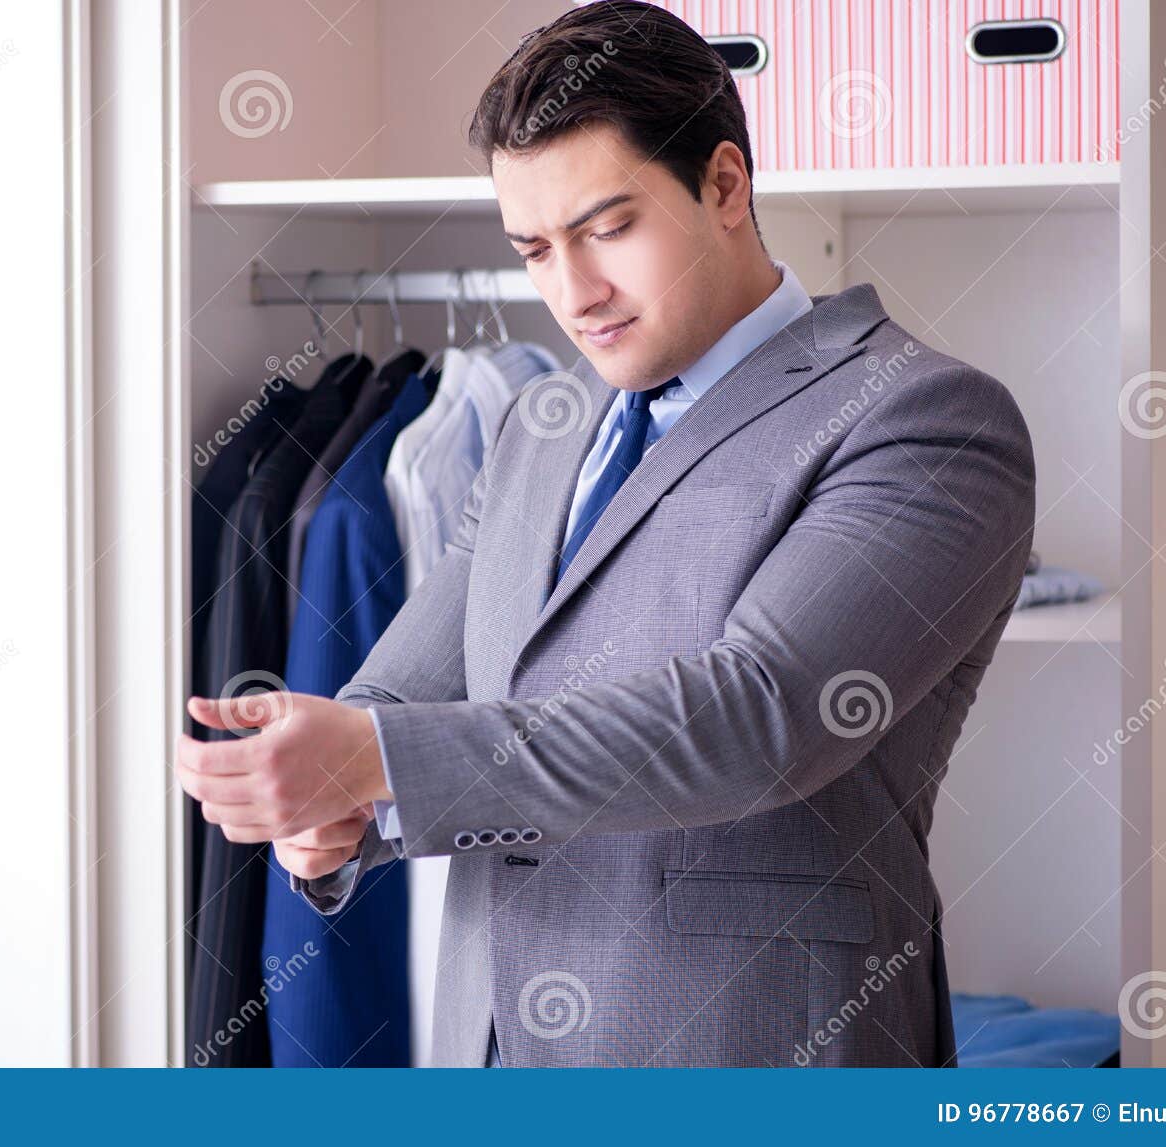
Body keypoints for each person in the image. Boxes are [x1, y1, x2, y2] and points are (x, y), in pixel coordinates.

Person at [177, 0, 1035, 1067]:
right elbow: (406, 692)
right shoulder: (543, 427)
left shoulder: (921, 415)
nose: (572, 294)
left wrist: (371, 760)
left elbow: (762, 713)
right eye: (535, 249)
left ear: (724, 185)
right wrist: (324, 794)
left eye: (607, 228)